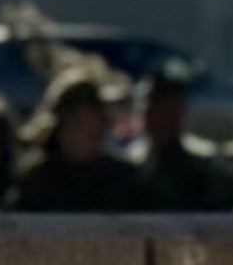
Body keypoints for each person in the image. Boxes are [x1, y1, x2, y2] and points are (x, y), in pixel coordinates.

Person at [9, 62, 141, 213]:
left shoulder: (122, 178)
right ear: (68, 115)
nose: (105, 118)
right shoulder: (39, 180)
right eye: (95, 108)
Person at [129, 55, 233, 211]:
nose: (151, 113)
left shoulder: (197, 176)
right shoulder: (133, 166)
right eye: (149, 103)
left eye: (161, 105)